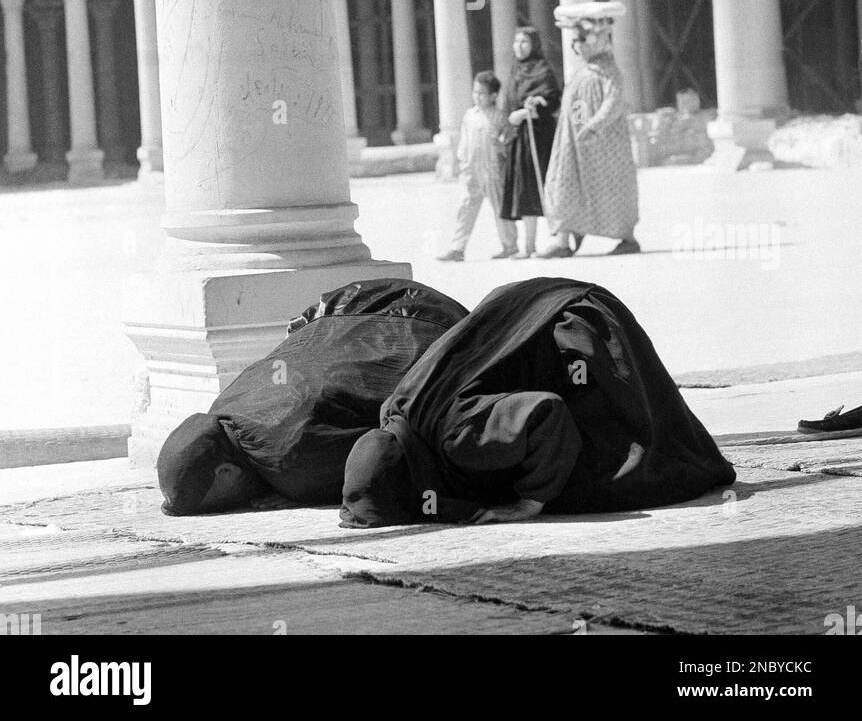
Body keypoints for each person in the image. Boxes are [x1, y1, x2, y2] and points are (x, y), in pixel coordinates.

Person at [339, 276, 735, 528]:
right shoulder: (393, 414)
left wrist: (530, 502)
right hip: (525, 305)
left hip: (572, 316)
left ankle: (694, 460)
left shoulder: (457, 437)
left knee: (630, 450)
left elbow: (547, 411)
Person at [156, 279, 468, 515]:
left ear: (226, 472)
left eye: (210, 500)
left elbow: (384, 460)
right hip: (366, 298)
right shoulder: (224, 407)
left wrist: (309, 491)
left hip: (445, 338)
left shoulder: (292, 464)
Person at [541, 2, 640, 258]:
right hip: (573, 144)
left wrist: (595, 125)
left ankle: (627, 237)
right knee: (564, 184)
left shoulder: (610, 72)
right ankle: (563, 238)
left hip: (604, 145)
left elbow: (614, 102)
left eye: (583, 40)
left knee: (612, 188)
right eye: (576, 41)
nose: (578, 46)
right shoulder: (582, 72)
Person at [437, 71, 518, 261]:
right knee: (466, 208)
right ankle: (457, 248)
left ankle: (510, 245)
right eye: (475, 92)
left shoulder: (499, 117)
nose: (478, 97)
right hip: (472, 169)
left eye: (482, 93)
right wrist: (462, 162)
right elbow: (464, 142)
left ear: (493, 96)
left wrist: (502, 146)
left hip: (493, 169)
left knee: (500, 209)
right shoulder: (469, 115)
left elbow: (508, 140)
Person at [500, 26, 561, 258]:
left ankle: (557, 241)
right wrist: (512, 118)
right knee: (524, 189)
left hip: (540, 137)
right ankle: (528, 246)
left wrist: (533, 110)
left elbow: (553, 100)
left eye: (524, 42)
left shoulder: (544, 70)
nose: (519, 46)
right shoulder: (514, 72)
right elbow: (509, 105)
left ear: (534, 45)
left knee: (545, 185)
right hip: (520, 140)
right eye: (516, 42)